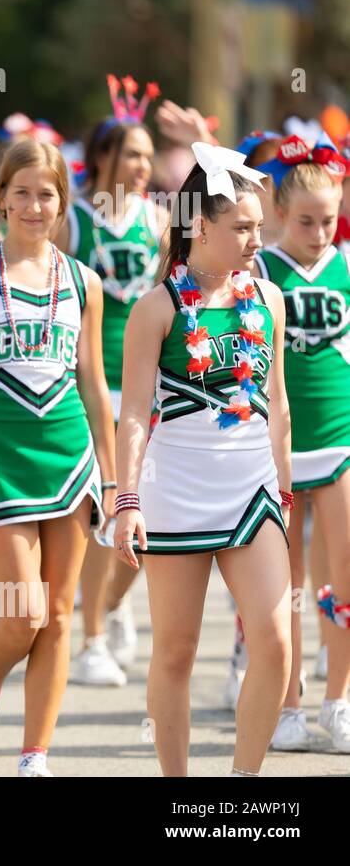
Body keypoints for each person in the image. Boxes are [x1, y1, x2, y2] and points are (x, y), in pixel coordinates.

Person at [114, 141, 292, 777]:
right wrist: (125, 500)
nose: (254, 241)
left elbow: (277, 403)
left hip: (253, 491)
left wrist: (287, 493)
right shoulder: (156, 308)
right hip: (175, 494)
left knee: (274, 644)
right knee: (176, 655)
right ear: (201, 227)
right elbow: (134, 411)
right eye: (242, 228)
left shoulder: (268, 301)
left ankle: (242, 784)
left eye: (258, 229)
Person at [0, 137, 116, 777]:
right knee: (23, 614)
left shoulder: (83, 281)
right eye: (22, 192)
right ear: (0, 199)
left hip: (70, 460)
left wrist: (115, 479)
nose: (34, 205)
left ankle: (34, 754)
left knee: (61, 615)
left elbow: (94, 386)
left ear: (63, 203)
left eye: (47, 194)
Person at [67, 78, 169, 687]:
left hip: (148, 389)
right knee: (96, 513)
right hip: (89, 386)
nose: (142, 165)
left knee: (145, 511)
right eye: (132, 153)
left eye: (149, 155)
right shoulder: (73, 220)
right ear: (104, 156)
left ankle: (105, 604)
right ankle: (90, 641)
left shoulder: (159, 220)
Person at [252, 134, 350, 751]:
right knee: (281, 583)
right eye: (307, 220)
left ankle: (337, 699)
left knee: (343, 576)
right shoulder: (258, 268)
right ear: (280, 213)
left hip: (341, 438)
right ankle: (287, 703)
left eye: (330, 220)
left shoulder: (346, 266)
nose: (319, 233)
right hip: (275, 445)